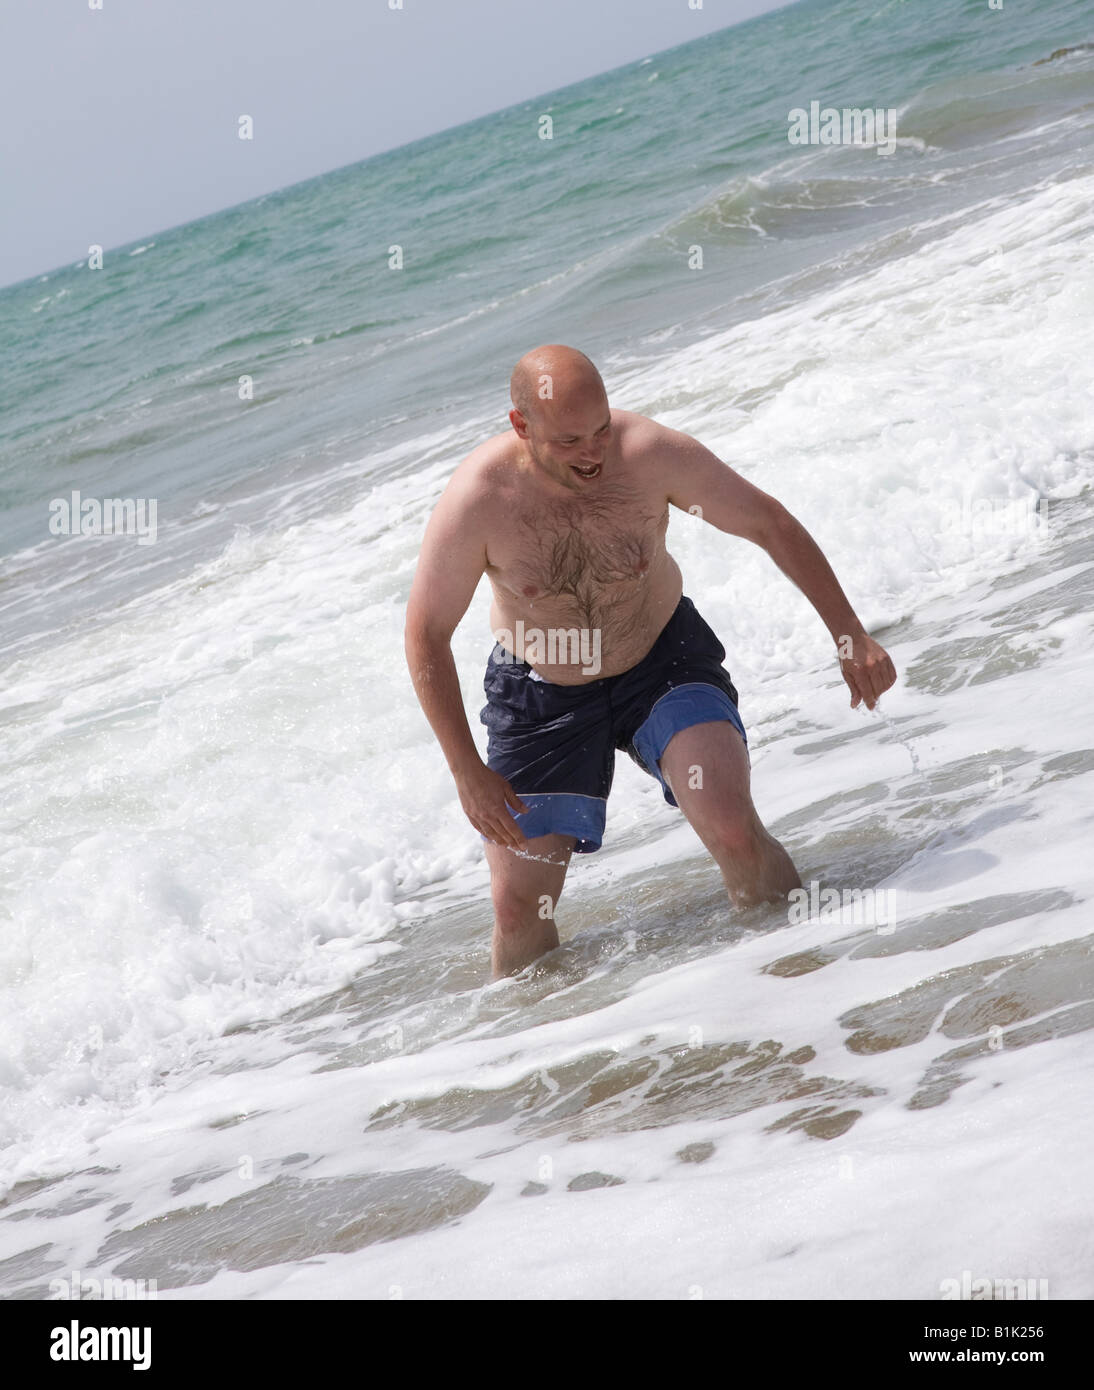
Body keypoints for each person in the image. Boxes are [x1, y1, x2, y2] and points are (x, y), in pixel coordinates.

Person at [405, 344, 896, 977]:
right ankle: (532, 1060)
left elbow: (766, 523)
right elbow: (425, 634)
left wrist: (849, 633)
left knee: (730, 824)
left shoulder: (649, 456)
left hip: (660, 658)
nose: (593, 453)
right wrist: (465, 769)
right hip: (542, 692)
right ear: (521, 427)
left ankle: (809, 979)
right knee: (519, 910)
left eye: (602, 429)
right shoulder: (479, 500)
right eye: (571, 440)